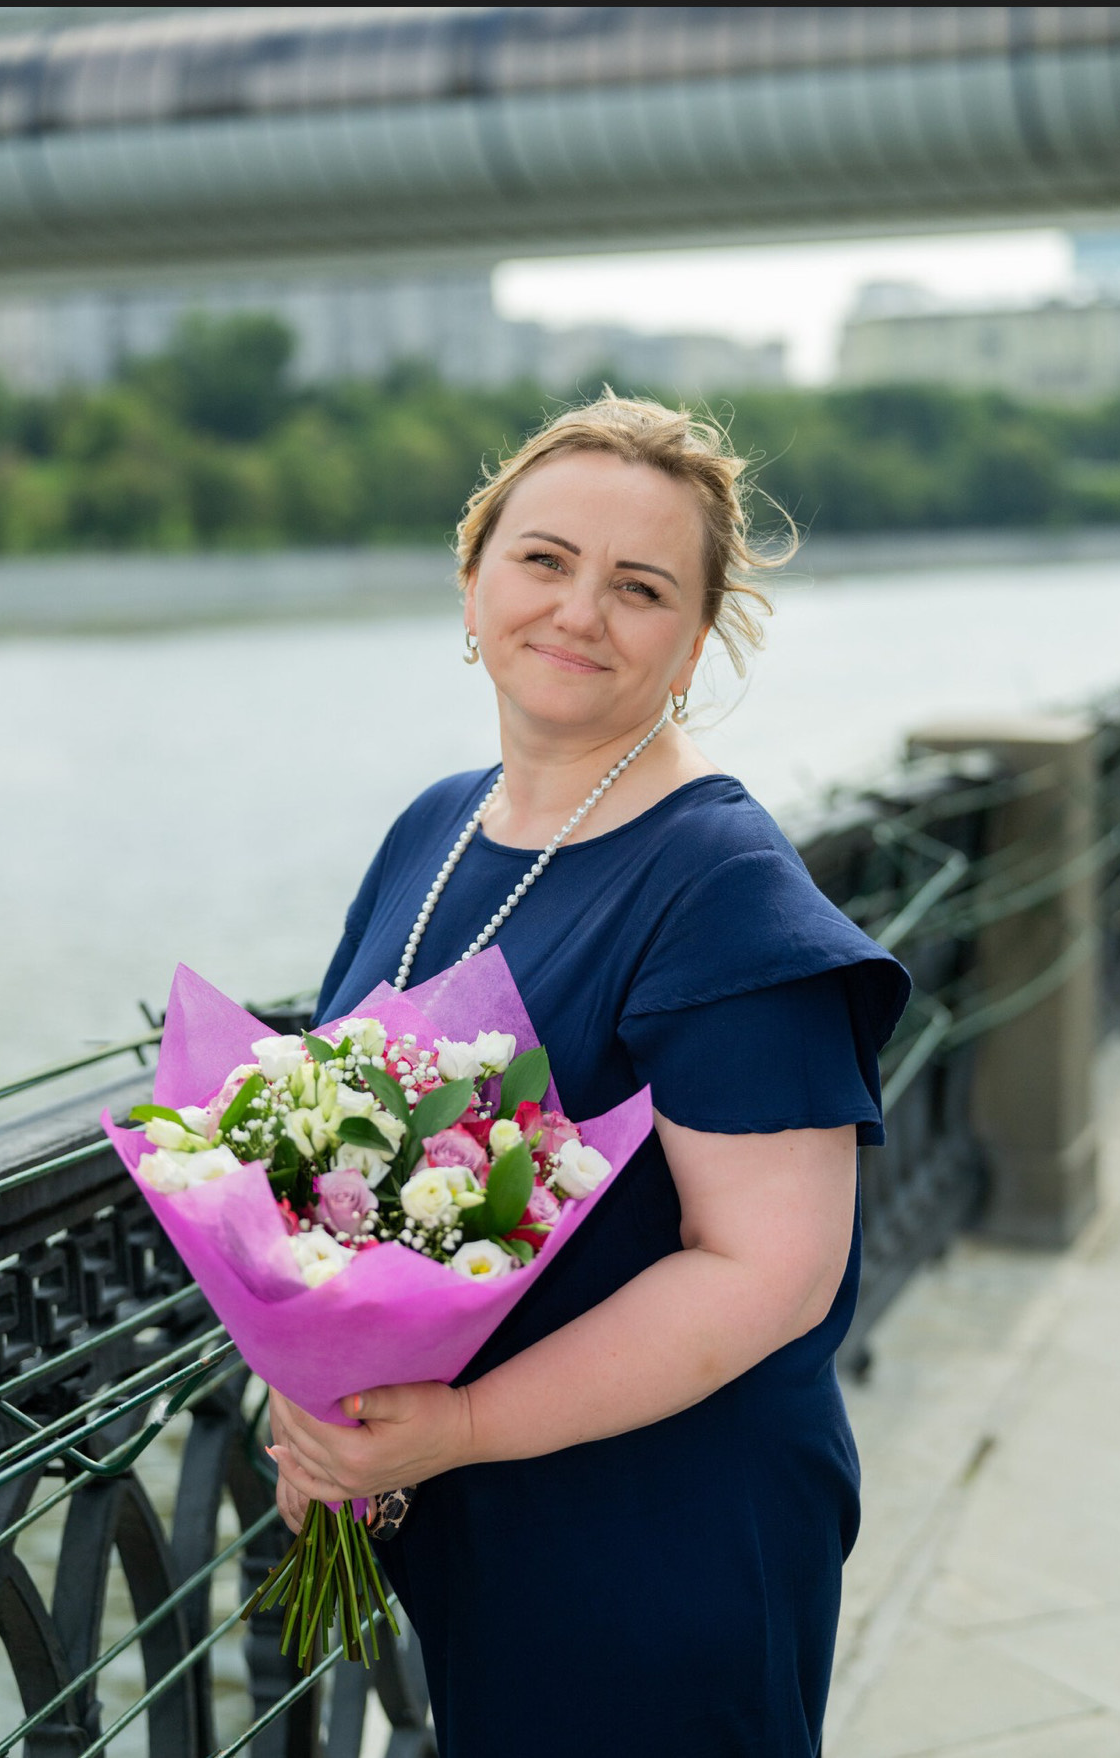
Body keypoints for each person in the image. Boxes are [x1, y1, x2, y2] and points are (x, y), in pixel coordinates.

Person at [267, 393, 910, 1757]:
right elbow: (338, 1165)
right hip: (468, 1506)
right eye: (543, 559)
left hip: (657, 1528)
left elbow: (769, 1270)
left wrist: (456, 1423)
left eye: (638, 587)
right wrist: (325, 1396)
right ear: (472, 576)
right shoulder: (435, 827)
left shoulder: (722, 888)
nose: (576, 612)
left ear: (692, 643)